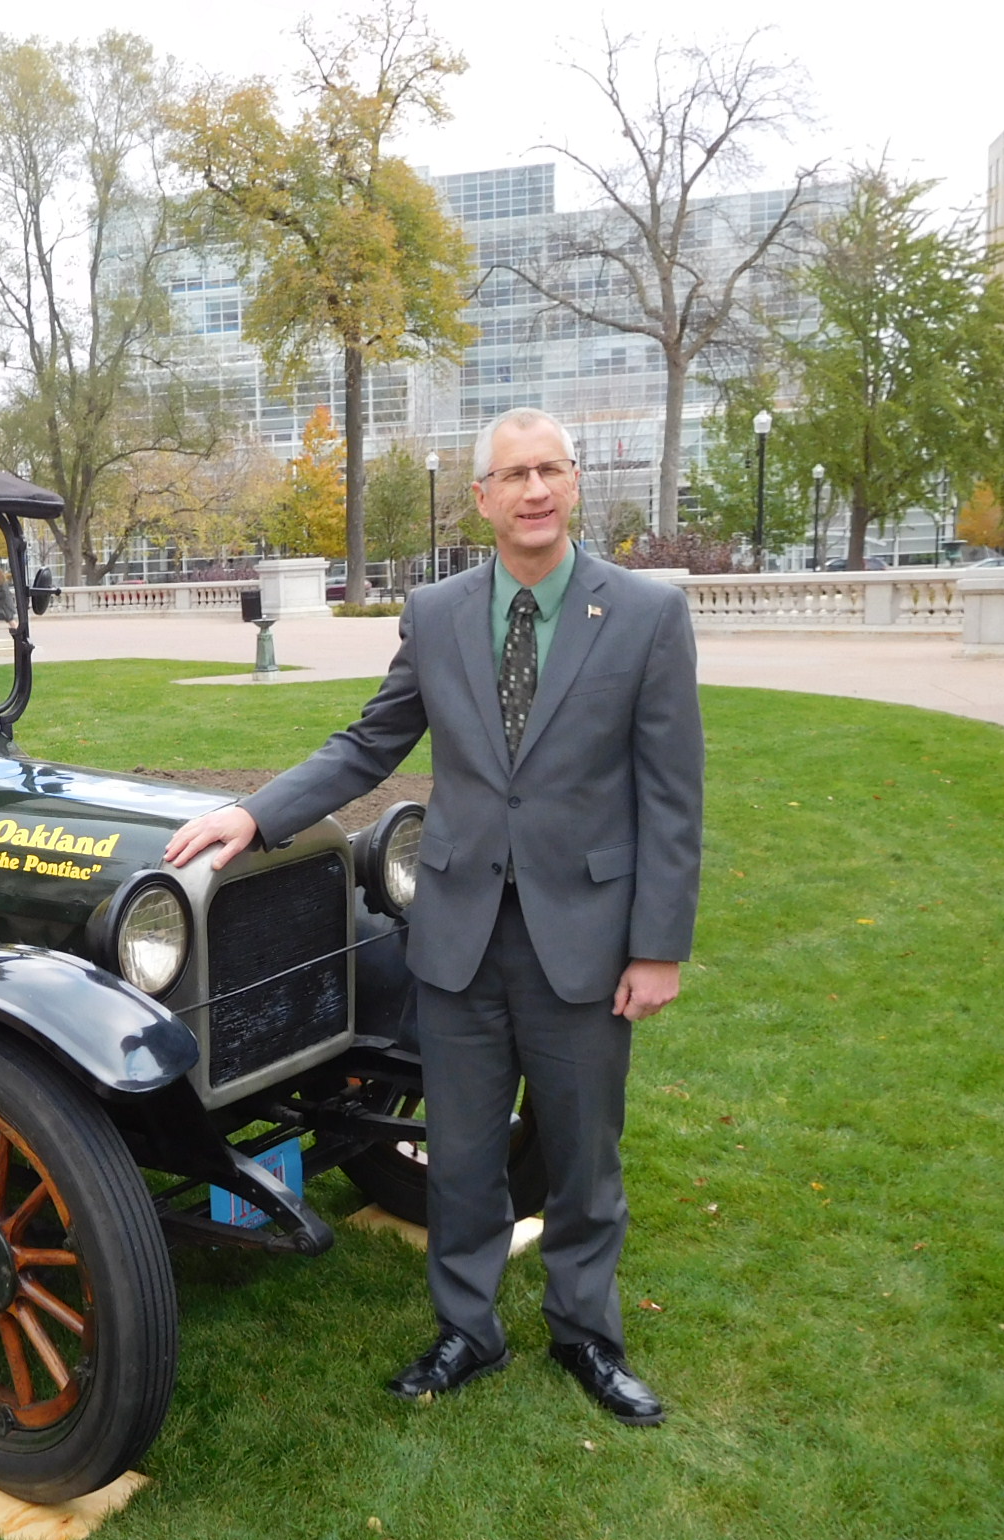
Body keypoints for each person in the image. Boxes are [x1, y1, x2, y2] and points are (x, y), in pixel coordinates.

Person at [164, 407, 703, 1428]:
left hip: (585, 939)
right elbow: (369, 743)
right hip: (457, 933)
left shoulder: (644, 615)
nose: (535, 491)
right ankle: (469, 1330)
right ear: (483, 498)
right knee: (460, 1153)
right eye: (514, 475)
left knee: (583, 1157)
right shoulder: (438, 611)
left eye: (551, 470)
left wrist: (658, 948)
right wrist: (255, 813)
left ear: (574, 483)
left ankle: (586, 1336)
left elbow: (673, 796)